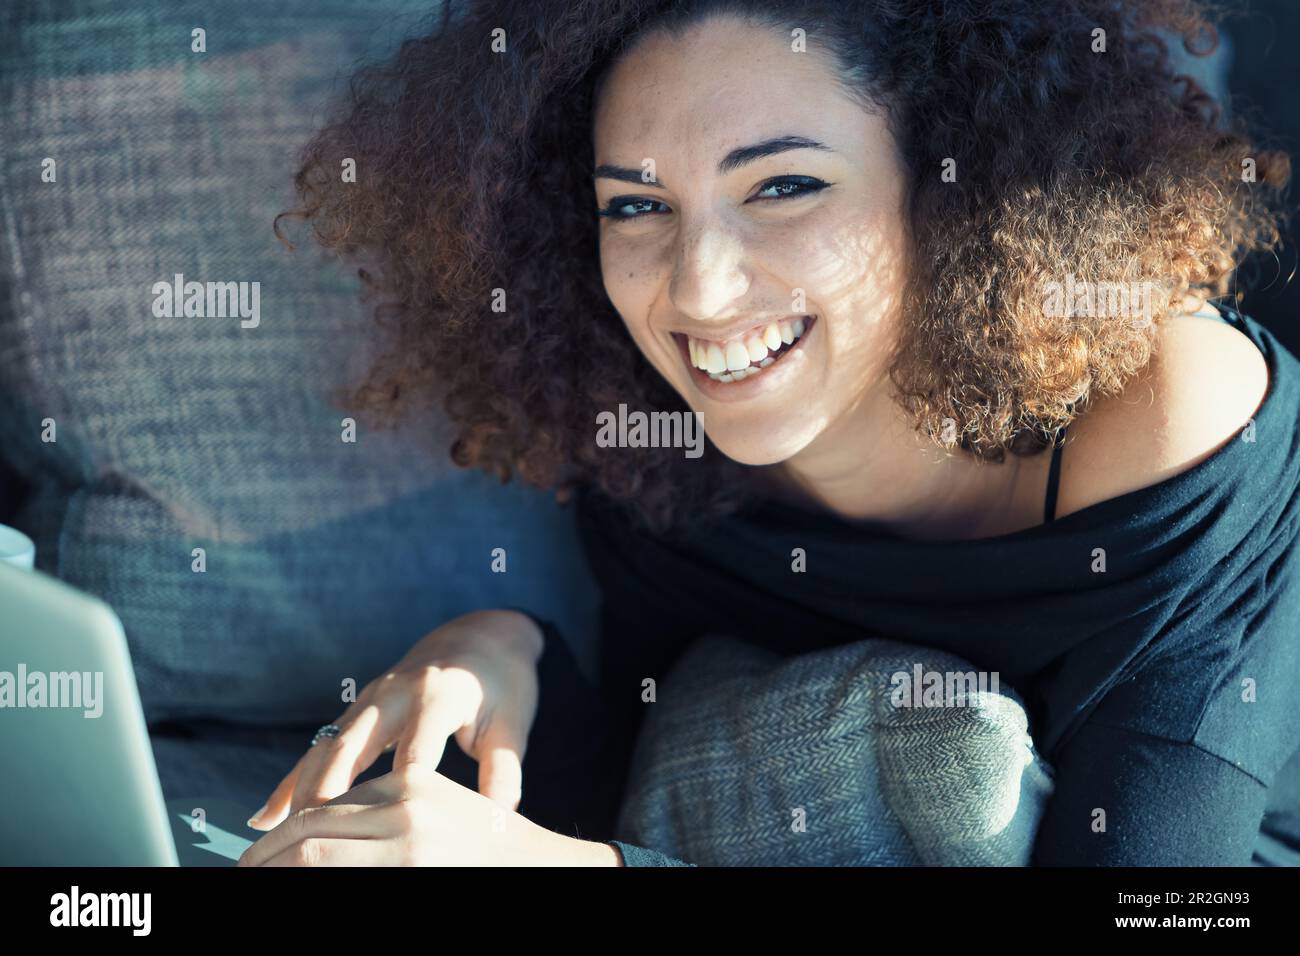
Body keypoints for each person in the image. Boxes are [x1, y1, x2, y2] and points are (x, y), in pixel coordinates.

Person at [241, 0, 1300, 866]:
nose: (697, 290)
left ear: (958, 187)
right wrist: (502, 653)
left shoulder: (1172, 411)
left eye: (783, 186)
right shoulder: (655, 425)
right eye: (634, 207)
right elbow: (646, 779)